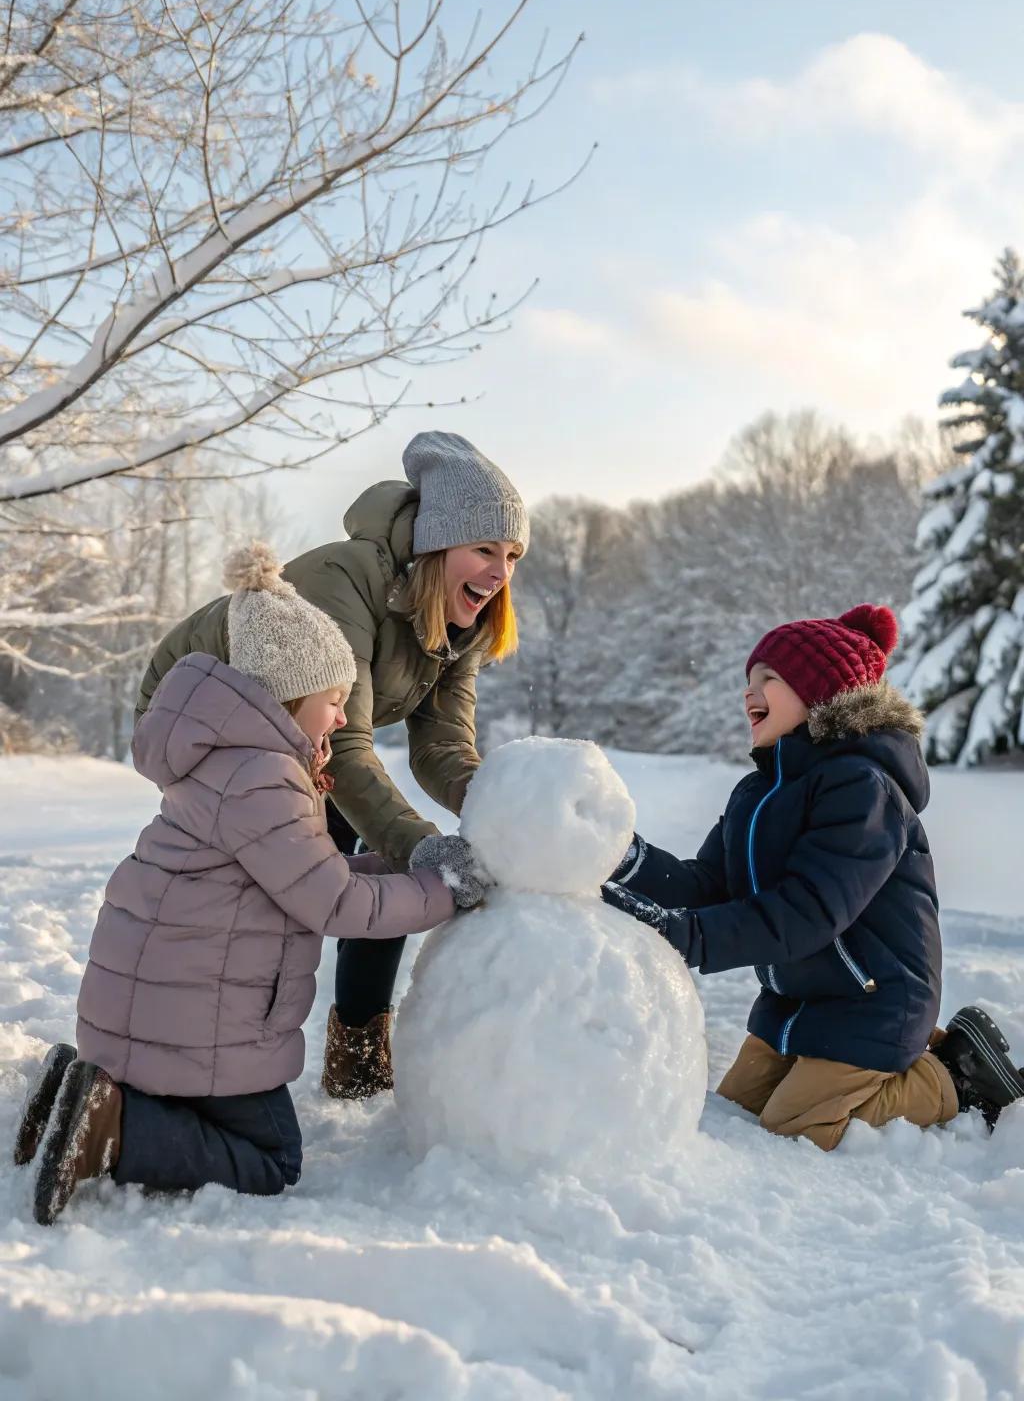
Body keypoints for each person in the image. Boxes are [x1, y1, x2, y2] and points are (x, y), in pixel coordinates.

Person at [16, 545, 480, 1225]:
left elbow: (299, 876)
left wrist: (394, 867)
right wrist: (444, 890)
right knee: (271, 1158)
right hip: (196, 1031)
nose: (343, 720)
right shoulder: (264, 778)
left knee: (254, 1138)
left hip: (150, 1018)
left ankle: (88, 1091)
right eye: (333, 702)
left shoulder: (231, 763)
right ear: (291, 698)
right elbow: (333, 902)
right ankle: (112, 1128)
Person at [132, 432, 529, 1101]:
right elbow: (344, 747)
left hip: (305, 740)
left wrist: (505, 807)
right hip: (206, 717)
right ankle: (183, 1050)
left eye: (513, 555)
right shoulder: (343, 579)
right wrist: (424, 846)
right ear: (437, 543)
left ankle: (358, 1052)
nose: (500, 574)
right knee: (275, 881)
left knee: (388, 858)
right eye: (484, 550)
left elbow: (442, 749)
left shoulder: (457, 620)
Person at [599, 604, 1024, 1150]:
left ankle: (955, 1077)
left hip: (876, 1003)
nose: (749, 694)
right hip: (799, 1000)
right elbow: (708, 883)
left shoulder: (862, 789)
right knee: (735, 1109)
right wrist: (619, 856)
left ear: (822, 694)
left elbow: (809, 912)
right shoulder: (757, 792)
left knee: (798, 1126)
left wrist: (685, 935)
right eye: (747, 681)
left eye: (768, 679)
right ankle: (892, 1065)